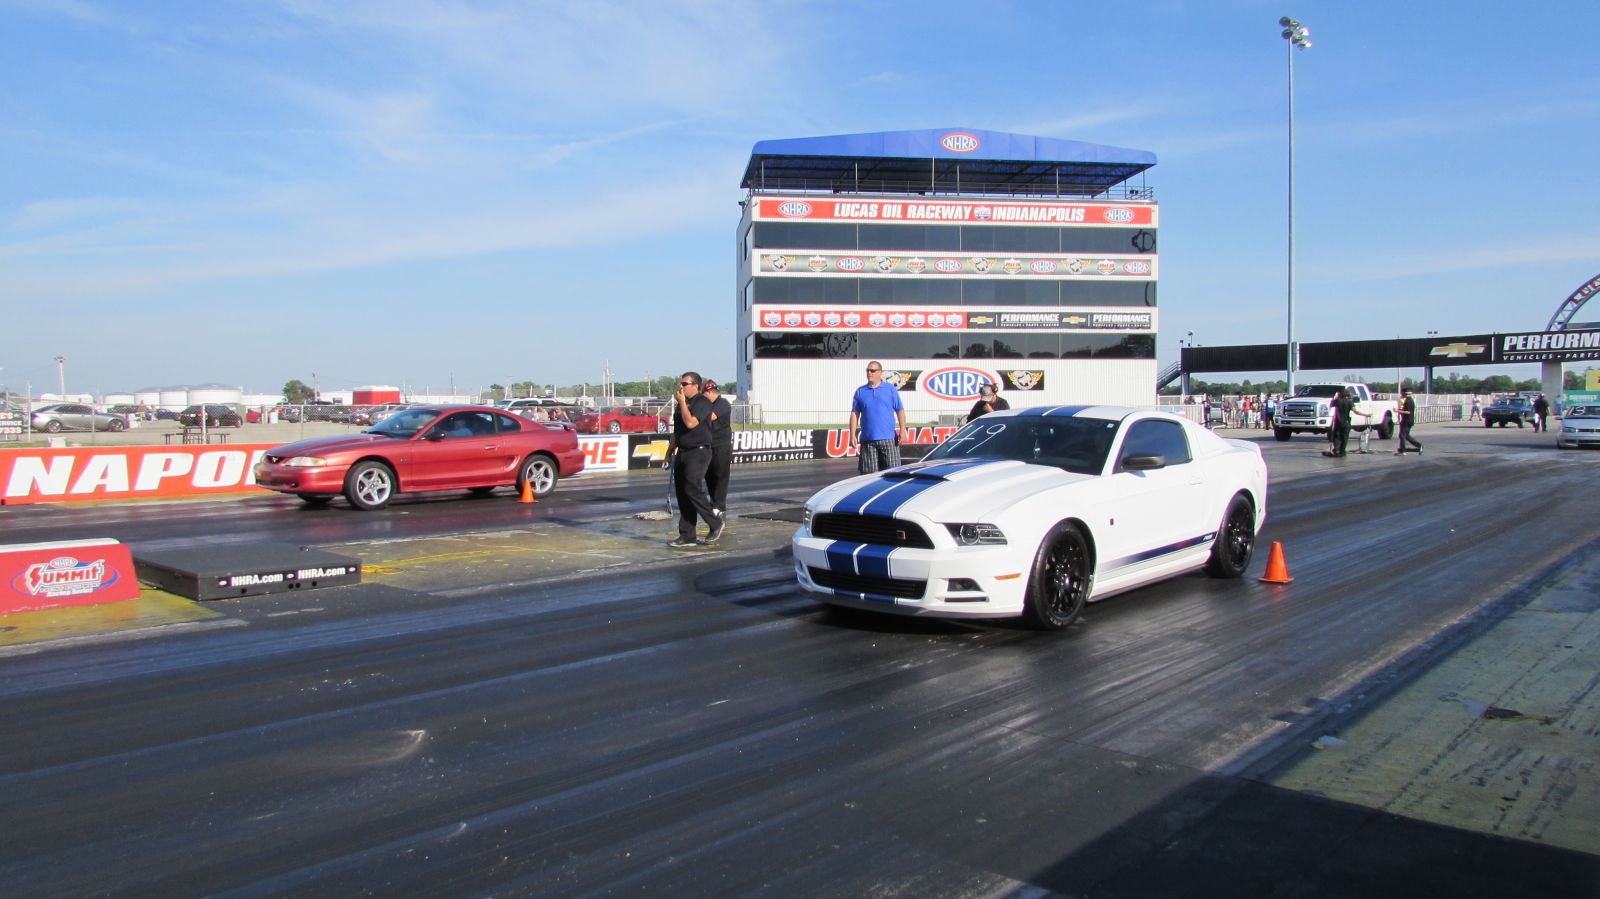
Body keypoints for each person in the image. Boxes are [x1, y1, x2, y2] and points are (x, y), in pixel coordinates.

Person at [667, 372, 724, 547]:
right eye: (681, 384)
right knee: (683, 494)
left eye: (685, 384)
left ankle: (715, 522)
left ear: (695, 385)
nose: (681, 387)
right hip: (683, 451)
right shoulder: (680, 405)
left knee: (693, 488)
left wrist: (683, 402)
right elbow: (678, 431)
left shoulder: (702, 403)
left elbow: (691, 423)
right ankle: (687, 534)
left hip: (698, 451)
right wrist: (669, 452)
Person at [850, 361, 907, 473]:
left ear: (880, 373)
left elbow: (900, 410)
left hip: (889, 439)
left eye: (873, 370)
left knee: (893, 474)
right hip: (868, 441)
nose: (869, 373)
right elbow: (854, 414)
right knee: (869, 476)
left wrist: (903, 430)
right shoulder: (860, 392)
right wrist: (852, 435)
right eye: (868, 370)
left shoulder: (890, 389)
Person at [703, 380, 733, 514]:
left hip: (721, 444)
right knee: (709, 475)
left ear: (709, 392)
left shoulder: (722, 403)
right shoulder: (707, 404)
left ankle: (719, 506)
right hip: (708, 444)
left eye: (704, 393)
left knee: (720, 475)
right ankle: (713, 502)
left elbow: (711, 417)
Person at [1324, 387, 1352, 457]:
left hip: (1337, 422)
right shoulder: (1349, 402)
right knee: (1344, 437)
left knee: (1337, 437)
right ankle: (1342, 451)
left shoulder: (1337, 401)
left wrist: (1335, 398)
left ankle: (1336, 450)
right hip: (1346, 422)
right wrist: (1366, 414)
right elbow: (1355, 410)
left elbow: (1331, 405)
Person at [1396, 387, 1422, 455]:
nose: (1401, 395)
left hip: (1406, 421)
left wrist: (1397, 411)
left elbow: (1408, 412)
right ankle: (1419, 446)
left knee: (1402, 435)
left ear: (1405, 393)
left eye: (1401, 393)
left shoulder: (1408, 401)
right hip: (1409, 420)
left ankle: (1403, 450)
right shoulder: (1410, 400)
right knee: (1406, 435)